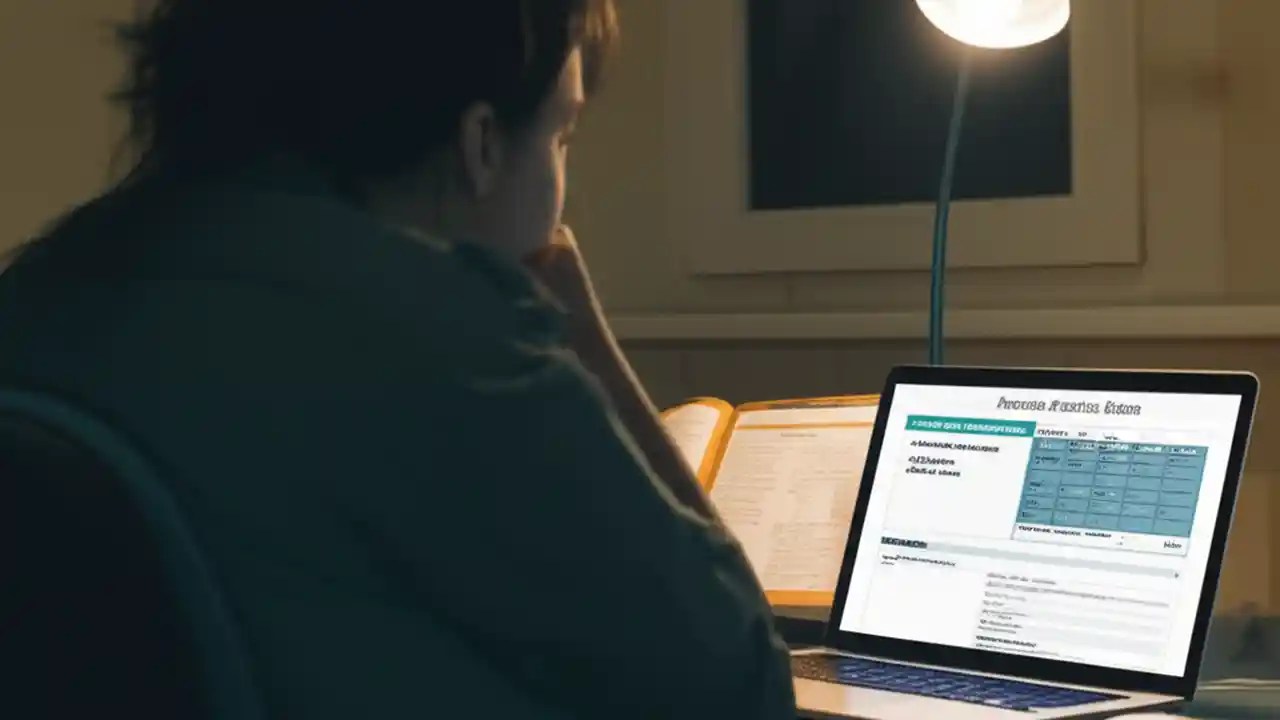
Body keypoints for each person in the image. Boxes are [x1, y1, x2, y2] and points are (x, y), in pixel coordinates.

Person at [0, 1, 795, 718]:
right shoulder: (450, 346)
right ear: (482, 144)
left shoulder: (41, 293)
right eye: (562, 135)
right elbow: (738, 683)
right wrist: (577, 336)